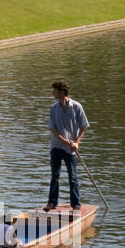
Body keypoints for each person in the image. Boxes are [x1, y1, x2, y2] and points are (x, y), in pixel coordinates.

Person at [46, 80, 88, 212]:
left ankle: (75, 204)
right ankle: (52, 202)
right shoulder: (53, 108)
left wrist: (77, 142)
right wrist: (63, 140)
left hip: (70, 149)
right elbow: (52, 128)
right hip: (56, 147)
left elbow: (83, 126)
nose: (53, 93)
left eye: (55, 91)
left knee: (73, 177)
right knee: (55, 176)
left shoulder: (76, 106)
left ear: (62, 92)